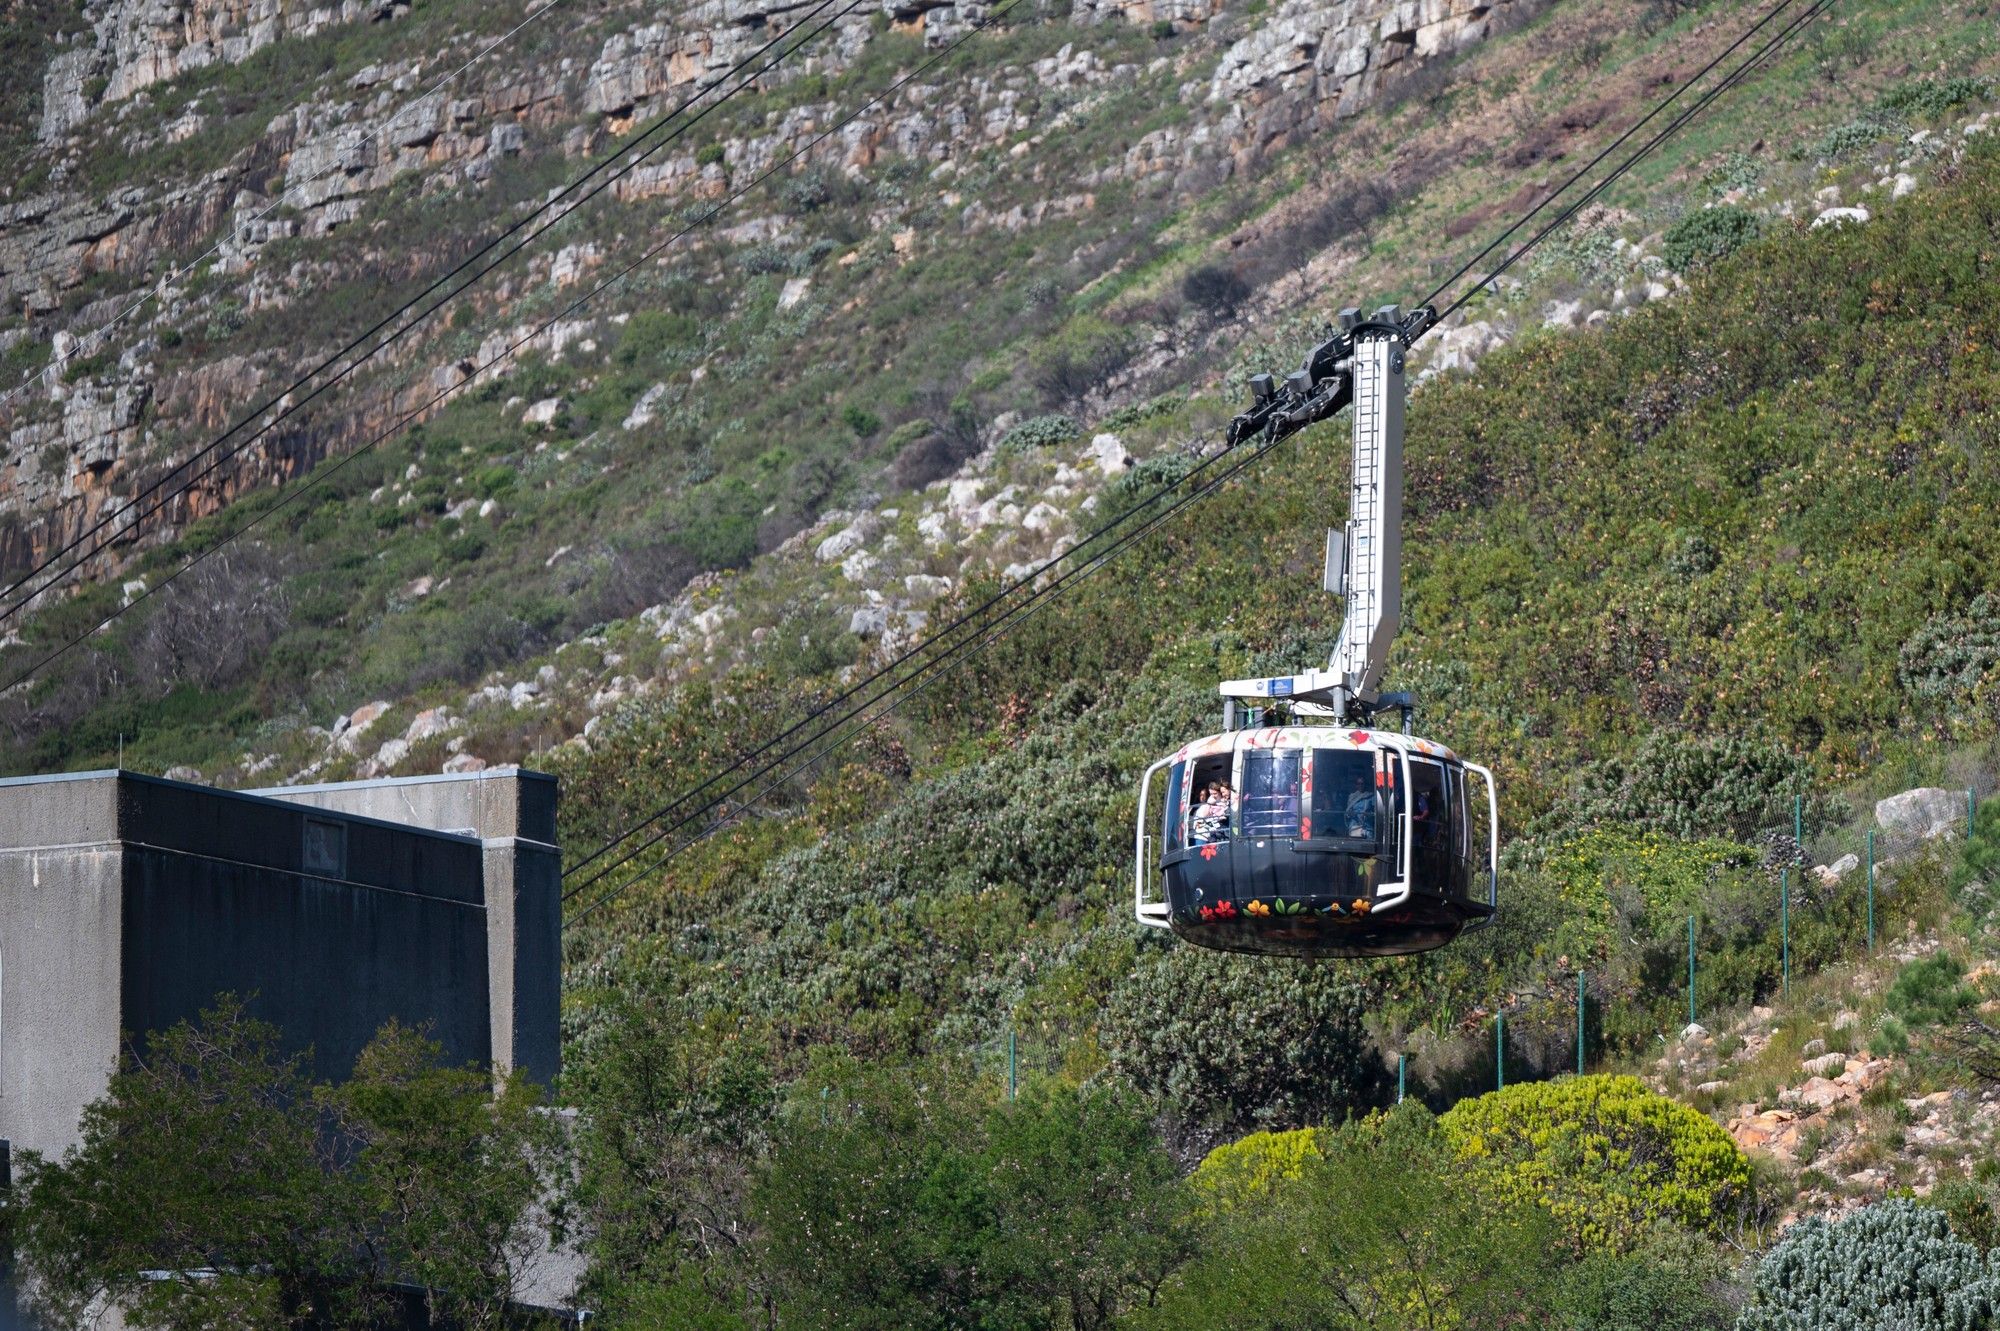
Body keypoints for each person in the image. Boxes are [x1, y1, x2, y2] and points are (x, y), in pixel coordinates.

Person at [1191, 780, 1231, 845]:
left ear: (1220, 792)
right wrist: (1209, 804)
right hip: (1213, 827)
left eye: (1215, 793)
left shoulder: (1224, 800)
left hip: (1223, 824)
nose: (1213, 796)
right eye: (1211, 794)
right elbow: (1204, 815)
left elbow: (1226, 812)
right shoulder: (1210, 800)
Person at [1343, 769, 1376, 839]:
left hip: (1367, 827)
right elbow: (1347, 812)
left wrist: (1368, 814)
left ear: (1365, 784)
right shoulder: (1351, 797)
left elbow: (1376, 812)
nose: (1360, 785)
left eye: (1362, 783)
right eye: (1358, 784)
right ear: (1356, 785)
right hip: (1355, 826)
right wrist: (1350, 814)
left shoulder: (1371, 796)